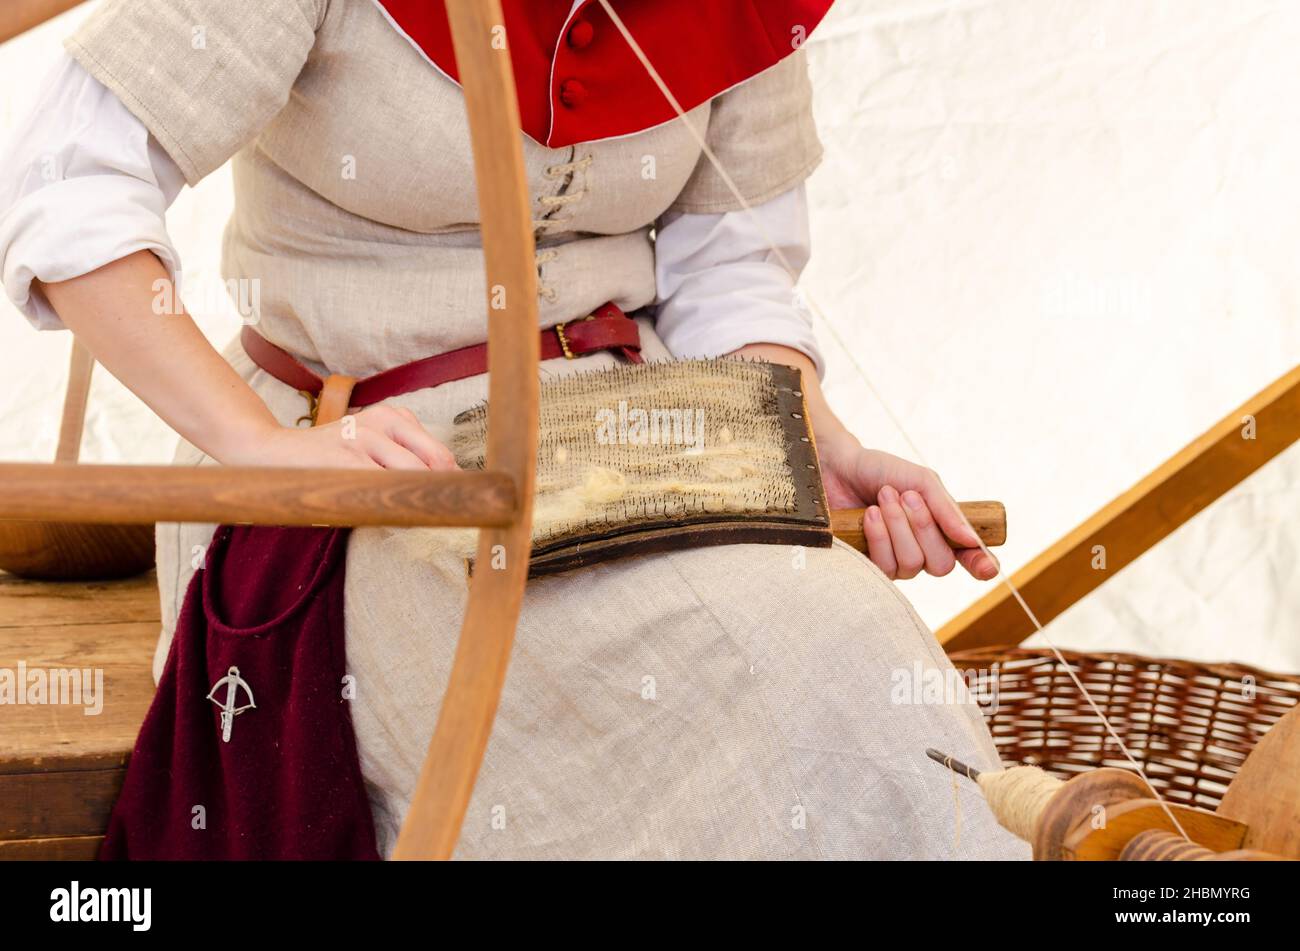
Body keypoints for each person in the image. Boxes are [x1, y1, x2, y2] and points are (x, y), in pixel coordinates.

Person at [0, 0, 1026, 859]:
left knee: (840, 654)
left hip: (654, 446)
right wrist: (265, 450)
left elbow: (729, 262)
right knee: (785, 679)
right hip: (368, 471)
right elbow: (72, 181)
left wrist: (802, 435)